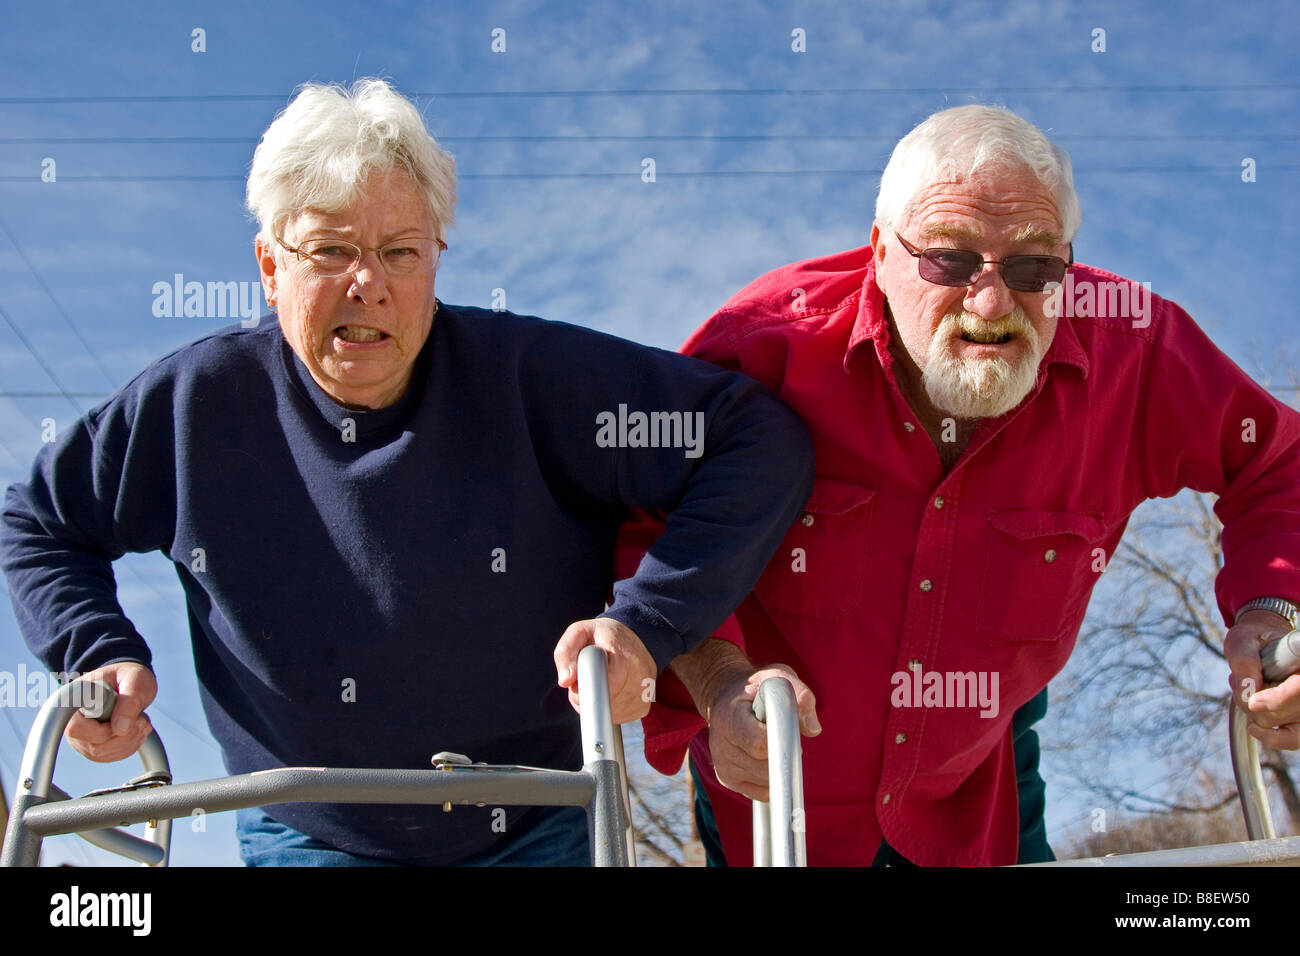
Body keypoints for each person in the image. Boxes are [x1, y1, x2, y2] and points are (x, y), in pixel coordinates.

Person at [0, 79, 815, 866]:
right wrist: (94, 649)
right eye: (330, 250)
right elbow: (37, 520)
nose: (370, 284)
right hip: (311, 826)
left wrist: (647, 623)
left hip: (534, 813)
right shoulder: (195, 405)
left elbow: (756, 441)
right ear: (269, 266)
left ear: (436, 260)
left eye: (401, 251)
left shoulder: (535, 381)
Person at [631, 104, 1300, 866]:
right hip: (768, 786)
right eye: (949, 261)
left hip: (977, 786)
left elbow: (1280, 462)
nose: (991, 304)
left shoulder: (1135, 354)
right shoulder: (761, 350)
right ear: (881, 252)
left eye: (1033, 267)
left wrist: (1273, 608)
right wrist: (718, 681)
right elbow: (647, 520)